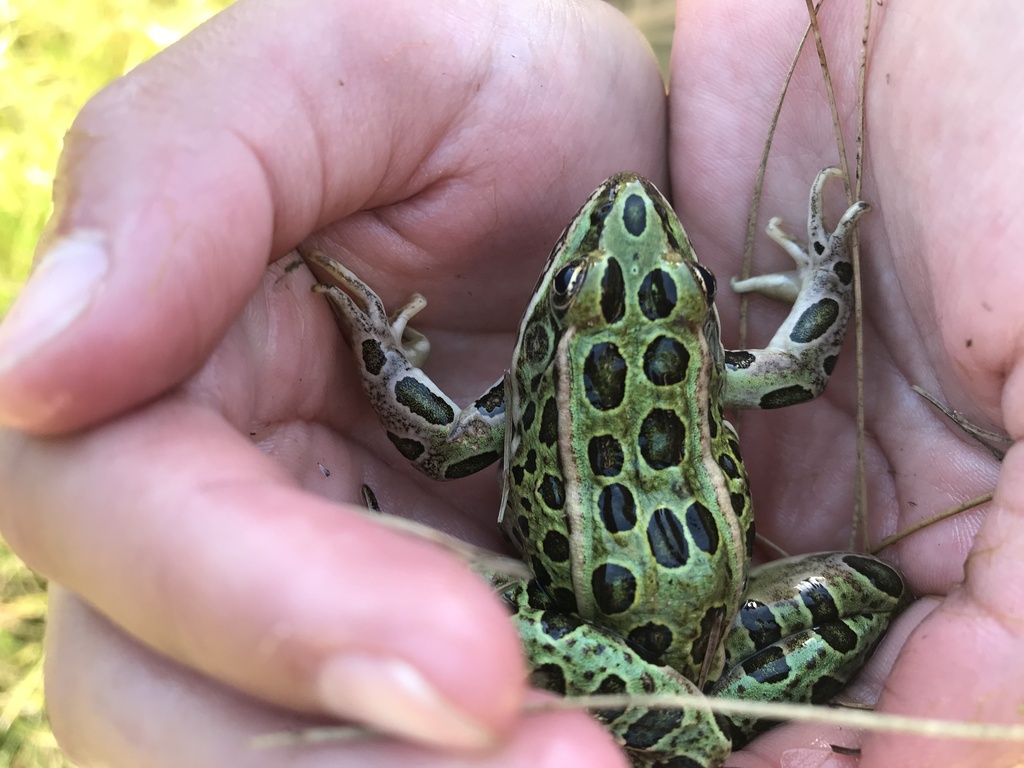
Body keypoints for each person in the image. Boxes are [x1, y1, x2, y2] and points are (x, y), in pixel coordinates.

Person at [0, 0, 1017, 765]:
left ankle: (675, 726)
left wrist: (382, 353)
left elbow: (441, 439)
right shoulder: (724, 380)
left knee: (480, 601)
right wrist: (822, 272)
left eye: (684, 290)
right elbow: (795, 367)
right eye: (584, 287)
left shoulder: (525, 406)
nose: (627, 216)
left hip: (664, 616)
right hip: (717, 617)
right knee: (867, 586)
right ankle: (685, 725)